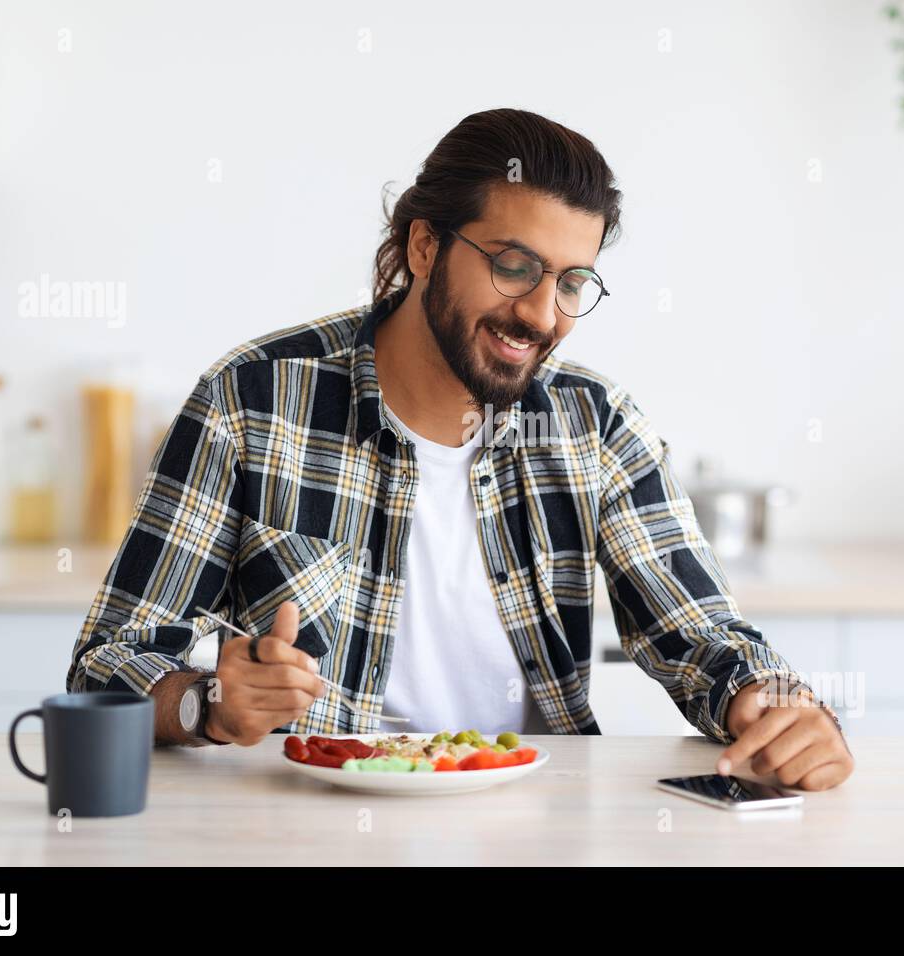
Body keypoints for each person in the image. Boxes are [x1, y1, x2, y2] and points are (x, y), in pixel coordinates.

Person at [67, 107, 853, 791]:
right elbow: (109, 662)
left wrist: (777, 707)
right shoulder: (252, 401)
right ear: (422, 247)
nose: (542, 314)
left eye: (572, 282)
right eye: (514, 268)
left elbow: (706, 640)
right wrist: (208, 704)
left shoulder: (597, 426)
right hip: (312, 826)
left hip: (534, 827)